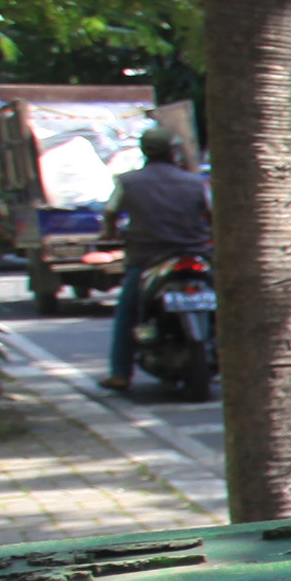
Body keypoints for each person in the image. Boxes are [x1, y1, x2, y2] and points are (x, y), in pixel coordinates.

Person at [100, 125, 211, 392]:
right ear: (174, 152)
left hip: (148, 257)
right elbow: (212, 214)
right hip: (196, 254)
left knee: (128, 312)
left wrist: (109, 234)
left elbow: (110, 213)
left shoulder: (127, 182)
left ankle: (120, 374)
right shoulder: (196, 182)